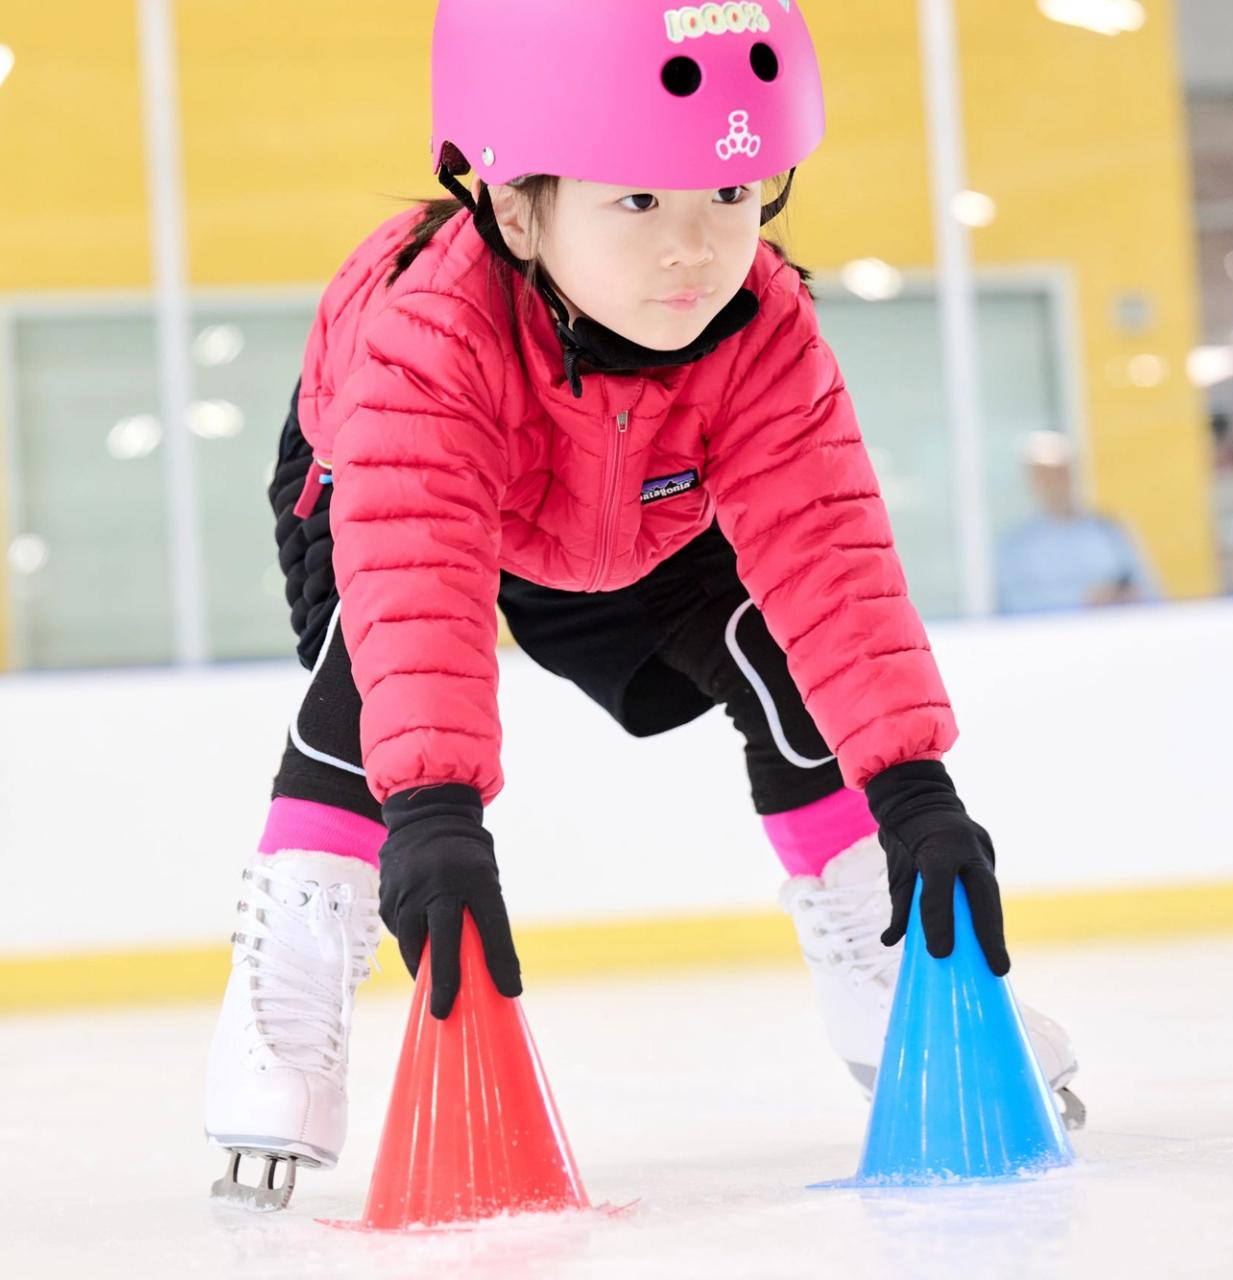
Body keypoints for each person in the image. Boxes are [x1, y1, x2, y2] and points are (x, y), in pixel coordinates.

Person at [203, 0, 1081, 1211]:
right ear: (516, 205)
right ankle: (287, 1003)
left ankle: (892, 975)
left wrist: (914, 791)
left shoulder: (761, 327)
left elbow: (827, 555)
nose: (695, 248)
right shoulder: (429, 338)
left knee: (786, 665)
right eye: (637, 202)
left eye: (729, 195)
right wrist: (438, 816)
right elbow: (416, 584)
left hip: (648, 508)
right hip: (402, 493)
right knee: (371, 694)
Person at [996, 430, 1158, 614]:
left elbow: (1150, 594)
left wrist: (1125, 598)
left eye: (1061, 472)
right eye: (1046, 474)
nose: (1055, 482)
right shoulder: (1017, 545)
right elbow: (1014, 608)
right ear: (1033, 479)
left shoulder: (1109, 532)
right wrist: (1083, 601)